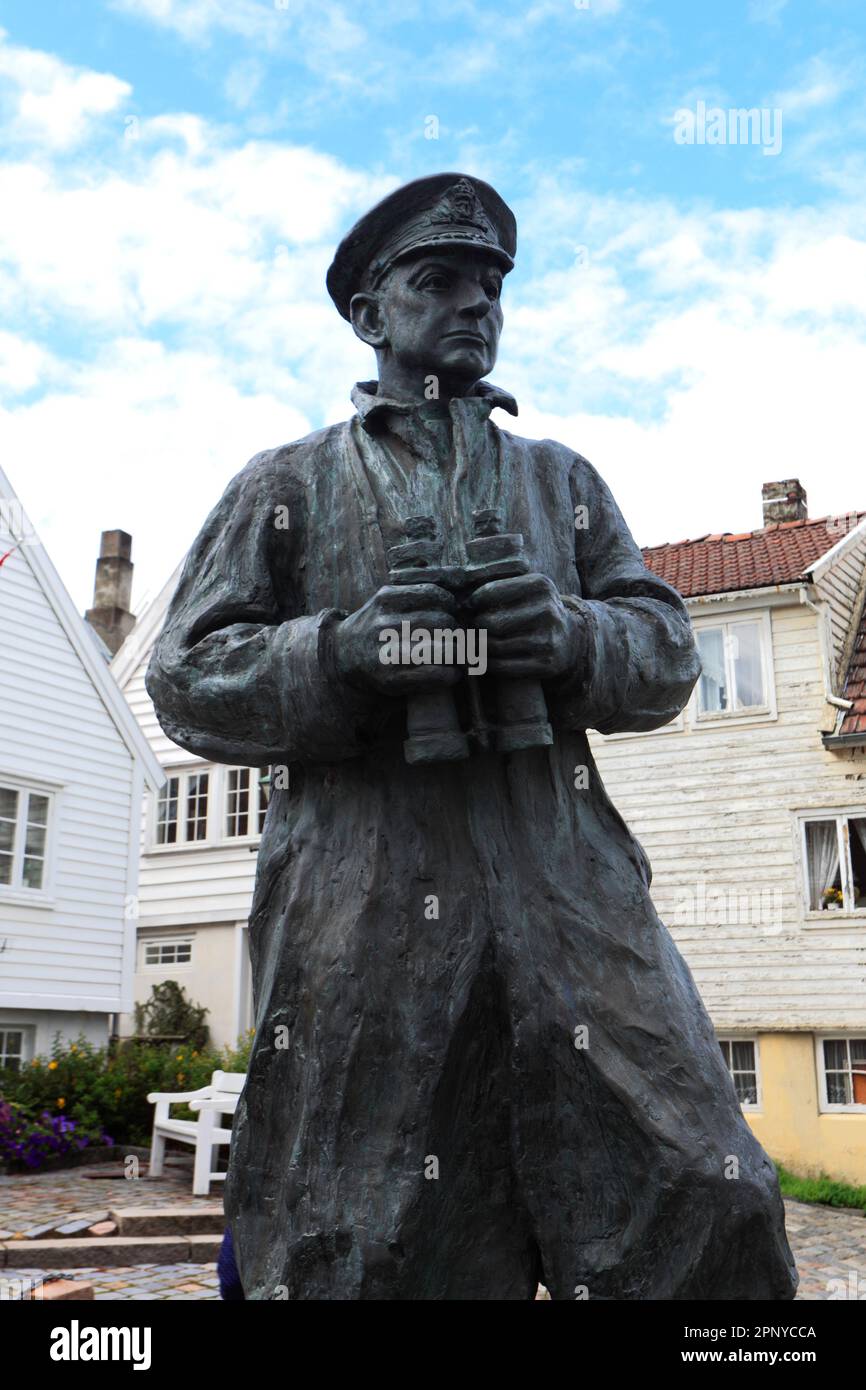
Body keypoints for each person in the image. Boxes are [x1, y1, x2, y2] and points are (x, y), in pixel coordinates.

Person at [146, 173, 798, 1300]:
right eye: (435, 281)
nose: (473, 305)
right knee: (366, 1237)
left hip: (571, 902)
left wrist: (569, 632)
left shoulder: (560, 482)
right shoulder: (285, 486)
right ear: (368, 313)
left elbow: (663, 654)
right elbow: (186, 679)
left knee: (704, 1196)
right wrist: (343, 651)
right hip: (366, 920)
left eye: (488, 285)